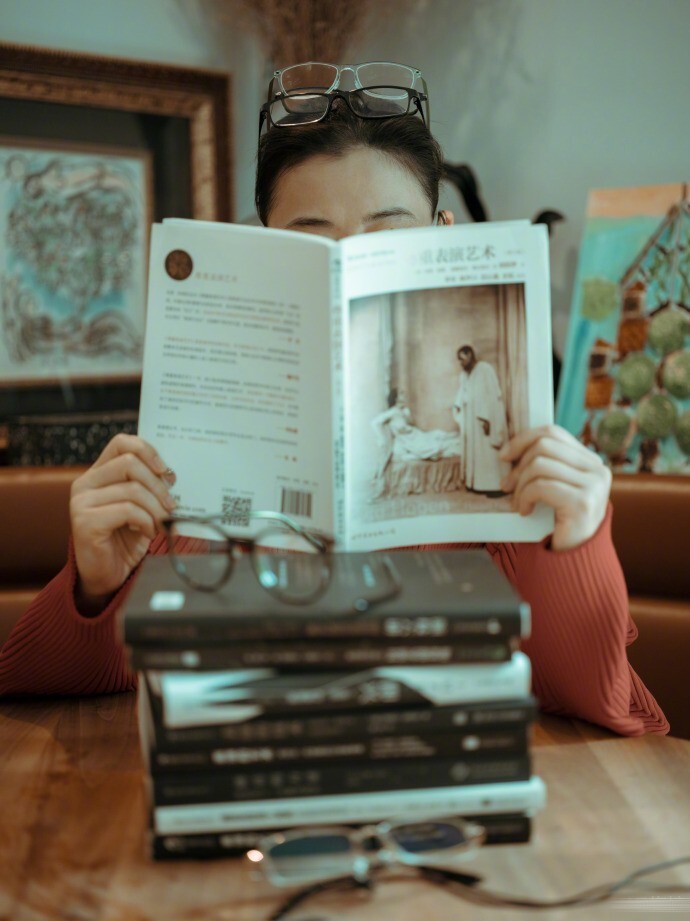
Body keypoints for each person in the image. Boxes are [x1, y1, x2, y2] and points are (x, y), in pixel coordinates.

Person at [0, 61, 668, 737]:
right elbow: (48, 680)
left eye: (387, 234)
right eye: (313, 243)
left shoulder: (522, 490)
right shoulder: (189, 466)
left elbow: (594, 700)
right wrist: (96, 587)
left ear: (442, 234)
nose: (351, 268)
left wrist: (574, 543)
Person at [452, 345, 511, 495]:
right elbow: (462, 393)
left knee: (489, 452)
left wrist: (486, 418)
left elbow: (491, 393)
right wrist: (458, 406)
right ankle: (477, 483)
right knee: (478, 452)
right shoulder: (465, 375)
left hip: (486, 417)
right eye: (459, 360)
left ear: (470, 355)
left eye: (462, 359)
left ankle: (497, 487)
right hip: (472, 418)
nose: (461, 363)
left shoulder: (485, 369)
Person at [372, 387, 461, 476]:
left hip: (416, 436)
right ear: (396, 398)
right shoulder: (392, 412)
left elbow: (411, 425)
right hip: (409, 442)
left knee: (439, 434)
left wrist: (406, 413)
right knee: (436, 448)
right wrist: (381, 438)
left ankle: (457, 437)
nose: (404, 396)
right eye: (401, 394)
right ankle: (413, 455)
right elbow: (374, 422)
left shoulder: (405, 411)